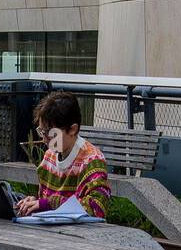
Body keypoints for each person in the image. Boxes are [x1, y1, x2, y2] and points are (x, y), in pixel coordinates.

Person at [15, 91, 110, 219]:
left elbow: (96, 209)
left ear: (72, 129)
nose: (44, 139)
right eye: (42, 132)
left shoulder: (92, 161)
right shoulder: (49, 156)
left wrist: (47, 203)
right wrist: (33, 203)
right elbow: (47, 203)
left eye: (50, 133)